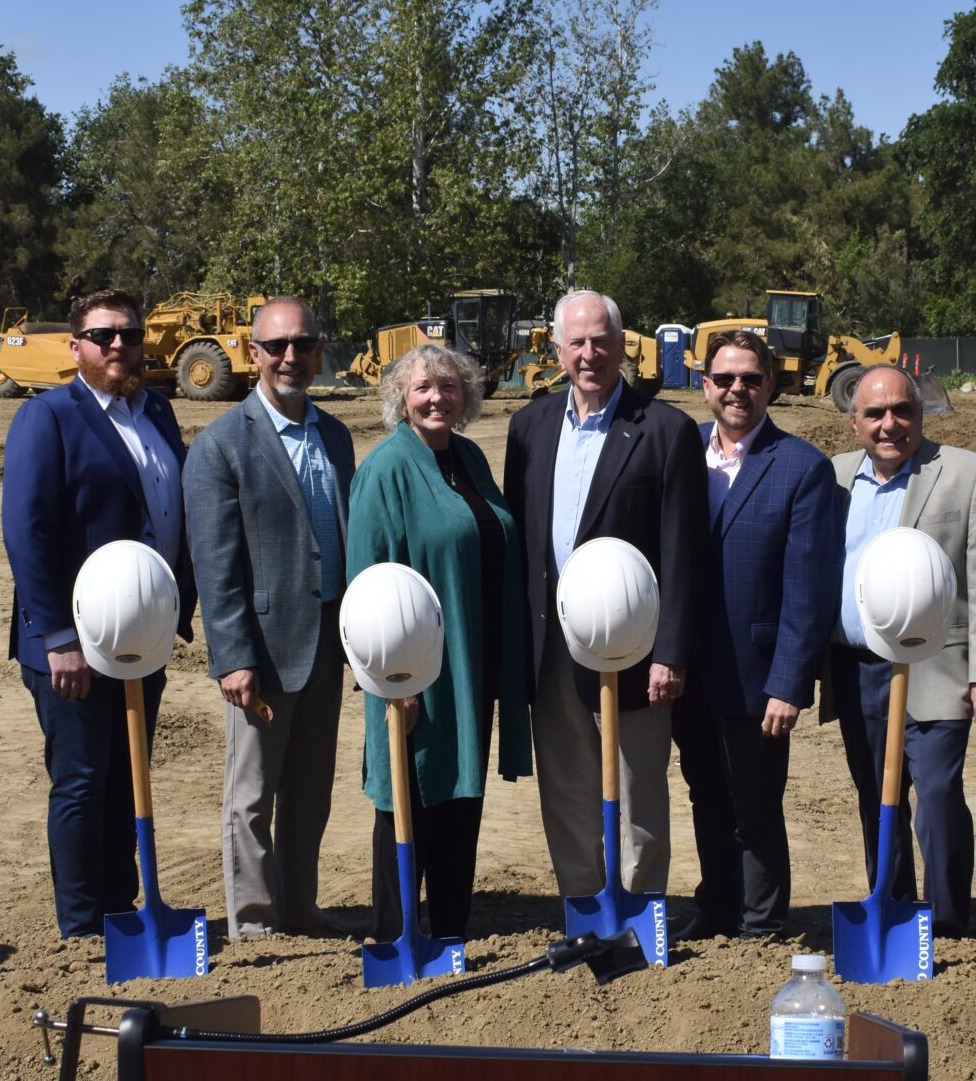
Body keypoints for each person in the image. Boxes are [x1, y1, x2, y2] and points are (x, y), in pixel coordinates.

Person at [2, 288, 194, 939]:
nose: (119, 345)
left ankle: (124, 914)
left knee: (126, 779)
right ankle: (82, 929)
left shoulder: (158, 410)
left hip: (143, 637)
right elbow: (28, 532)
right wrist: (57, 635)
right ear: (76, 345)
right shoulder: (48, 418)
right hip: (75, 644)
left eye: (130, 334)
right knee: (83, 781)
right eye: (104, 335)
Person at [504, 289, 706, 898]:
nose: (589, 353)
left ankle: (639, 907)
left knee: (637, 785)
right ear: (558, 349)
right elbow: (523, 537)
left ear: (622, 346)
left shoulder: (666, 430)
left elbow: (683, 550)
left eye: (601, 340)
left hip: (635, 646)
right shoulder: (529, 426)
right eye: (577, 342)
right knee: (567, 783)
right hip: (552, 645)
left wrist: (672, 651)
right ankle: (583, 904)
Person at [345, 344, 530, 940]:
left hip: (471, 662)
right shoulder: (384, 469)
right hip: (412, 671)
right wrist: (391, 679)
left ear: (466, 397)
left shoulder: (471, 457)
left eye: (448, 387)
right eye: (423, 387)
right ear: (401, 396)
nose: (436, 398)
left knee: (458, 795)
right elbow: (366, 584)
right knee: (410, 792)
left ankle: (451, 926)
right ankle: (396, 931)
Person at [184, 296, 354, 938]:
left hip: (326, 650)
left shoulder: (335, 435)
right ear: (252, 353)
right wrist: (232, 656)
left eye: (302, 344)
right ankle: (253, 921)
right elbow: (214, 561)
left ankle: (297, 907)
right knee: (251, 797)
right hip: (261, 653)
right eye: (277, 346)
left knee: (309, 794)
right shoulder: (222, 445)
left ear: (317, 349)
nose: (291, 357)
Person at [821, 365, 976, 938]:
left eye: (902, 411)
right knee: (877, 796)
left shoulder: (968, 474)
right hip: (856, 669)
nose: (889, 425)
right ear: (854, 422)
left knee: (936, 792)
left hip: (938, 667)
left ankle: (948, 917)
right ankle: (895, 909)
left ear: (920, 413)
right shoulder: (834, 479)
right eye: (875, 414)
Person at [671, 330, 839, 941]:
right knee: (705, 794)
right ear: (705, 385)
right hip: (687, 668)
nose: (737, 389)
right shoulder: (680, 451)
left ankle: (761, 921)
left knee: (756, 803)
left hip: (759, 673)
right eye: (725, 379)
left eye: (750, 378)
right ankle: (715, 905)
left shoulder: (802, 467)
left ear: (771, 384)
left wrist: (789, 684)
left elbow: (808, 589)